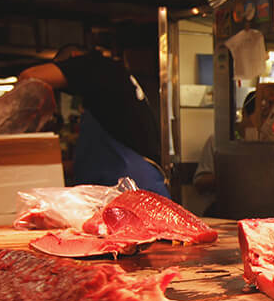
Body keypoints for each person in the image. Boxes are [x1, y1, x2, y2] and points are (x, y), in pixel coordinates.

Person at [20, 45, 169, 196]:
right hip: (127, 186)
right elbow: (97, 161)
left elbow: (29, 76)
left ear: (75, 56)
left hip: (133, 189)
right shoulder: (108, 88)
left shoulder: (95, 65)